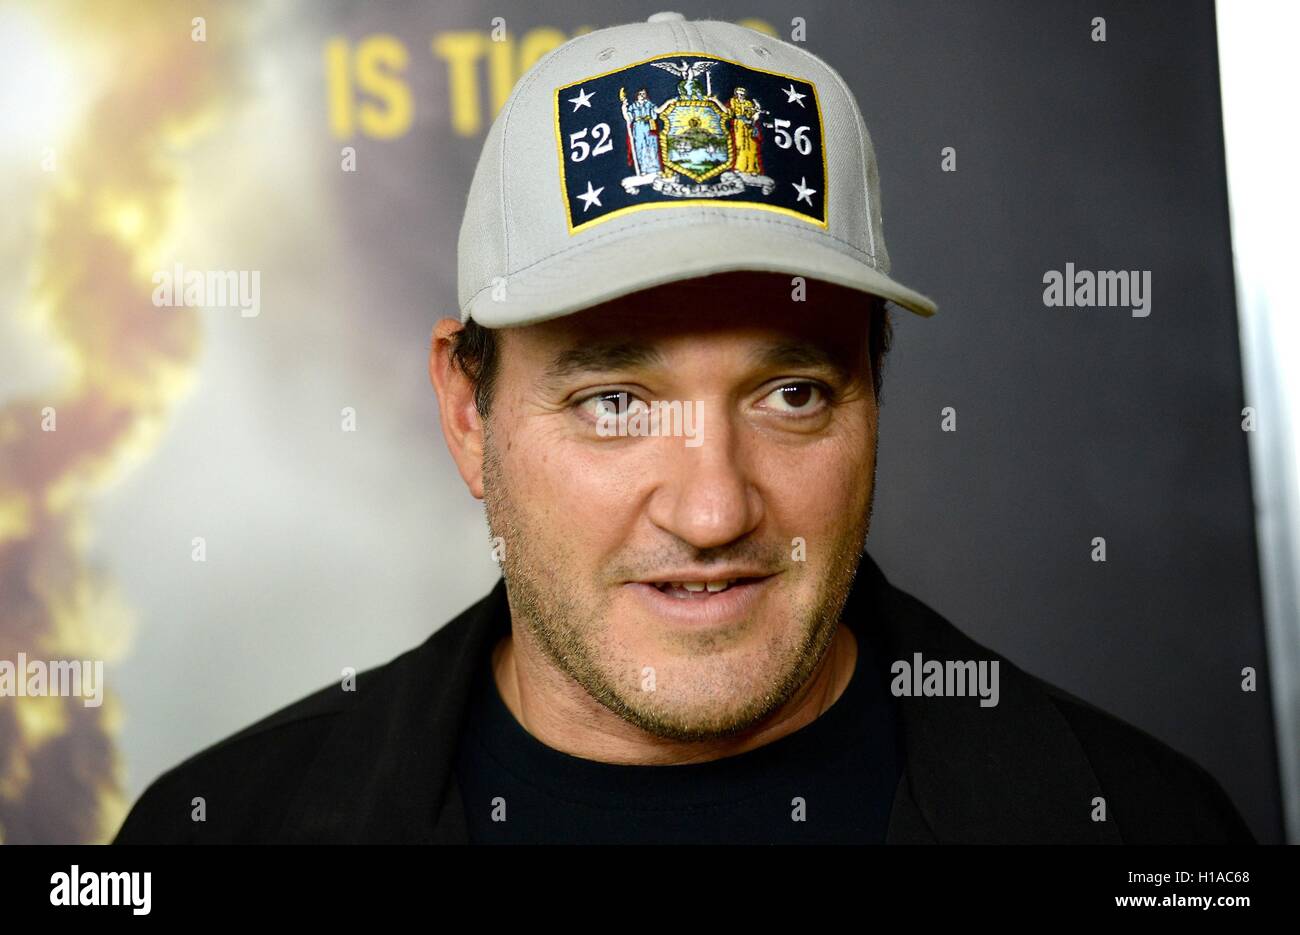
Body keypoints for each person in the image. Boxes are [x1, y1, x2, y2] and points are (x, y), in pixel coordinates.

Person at [113, 12, 1252, 844]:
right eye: (614, 403)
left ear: (874, 395)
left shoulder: (1145, 830)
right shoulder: (220, 831)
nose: (713, 508)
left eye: (792, 393)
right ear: (468, 412)